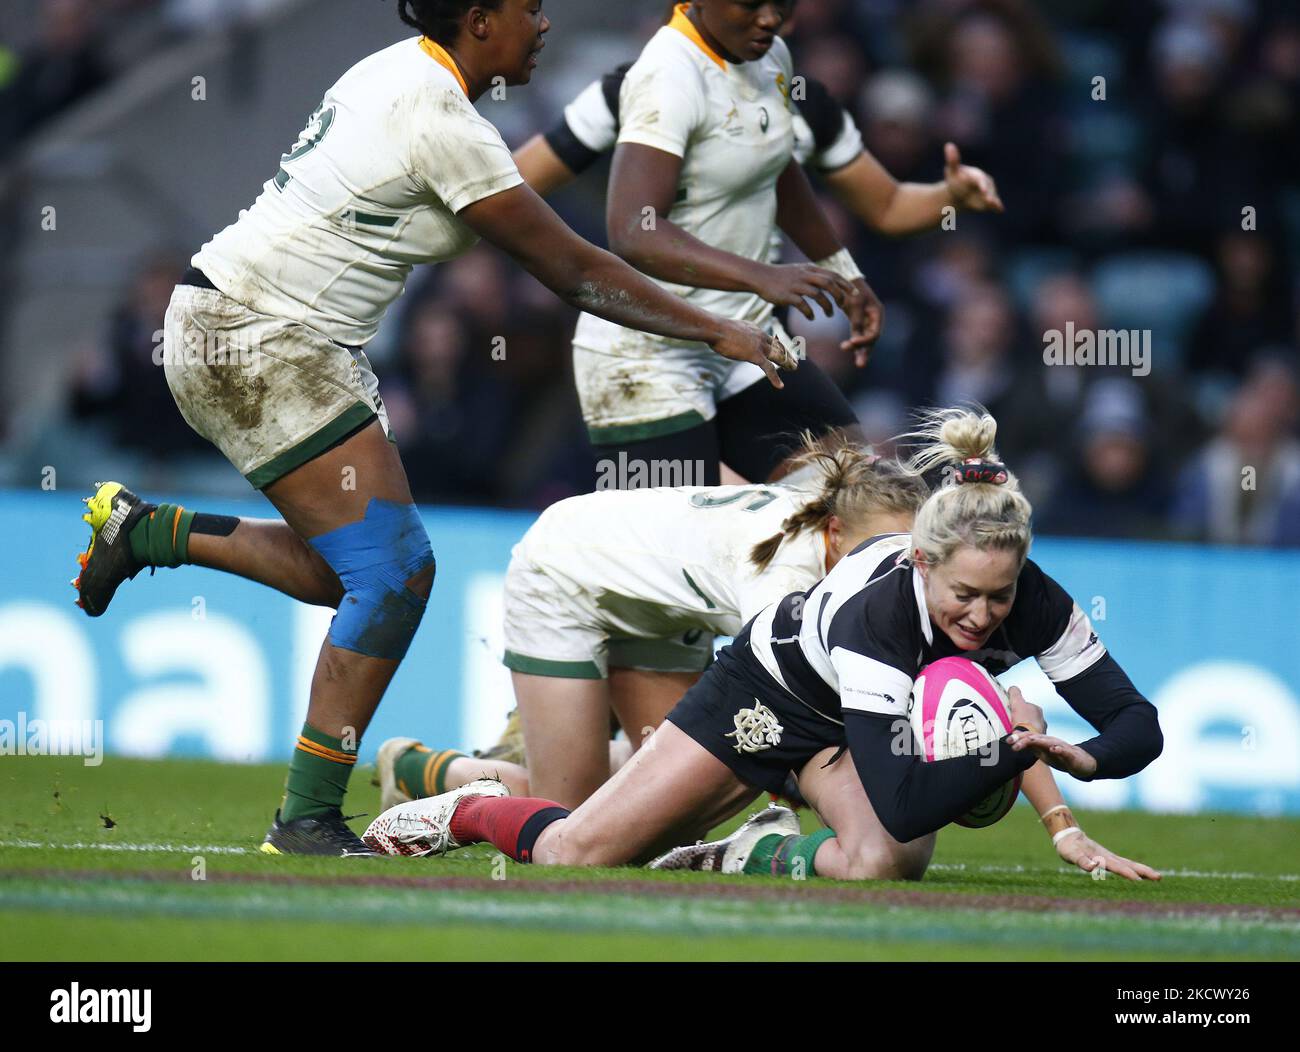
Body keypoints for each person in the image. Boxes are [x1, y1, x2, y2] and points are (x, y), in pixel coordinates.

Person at [70, 0, 794, 857]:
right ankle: (304, 819)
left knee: (344, 572)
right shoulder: (440, 115)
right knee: (396, 572)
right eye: (530, 9)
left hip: (254, 327)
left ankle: (146, 531)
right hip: (258, 336)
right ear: (481, 20)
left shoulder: (404, 73)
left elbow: (522, 204)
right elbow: (569, 266)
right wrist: (713, 325)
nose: (546, 23)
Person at [363, 407, 1164, 882]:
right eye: (964, 595)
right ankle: (470, 809)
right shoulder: (876, 622)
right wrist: (1007, 753)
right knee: (579, 853)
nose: (985, 617)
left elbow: (1137, 722)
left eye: (1001, 595)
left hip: (843, 729)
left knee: (884, 865)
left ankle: (733, 856)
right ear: (921, 563)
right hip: (763, 695)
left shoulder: (1039, 604)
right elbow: (908, 794)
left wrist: (1078, 761)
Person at [377, 438, 927, 810]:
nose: (887, 568)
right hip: (564, 573)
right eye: (876, 550)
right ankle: (415, 768)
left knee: (667, 803)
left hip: (663, 610)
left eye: (903, 557)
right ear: (833, 531)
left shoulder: (840, 532)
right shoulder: (785, 571)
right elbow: (782, 700)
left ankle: (564, 742)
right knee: (570, 817)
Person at [542, 1, 883, 488]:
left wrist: (842, 268)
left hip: (746, 341)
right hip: (650, 354)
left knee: (854, 496)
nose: (770, 18)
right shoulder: (669, 74)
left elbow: (775, 167)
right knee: (680, 550)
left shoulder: (771, 56)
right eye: (750, 4)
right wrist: (762, 275)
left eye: (781, 2)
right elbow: (634, 230)